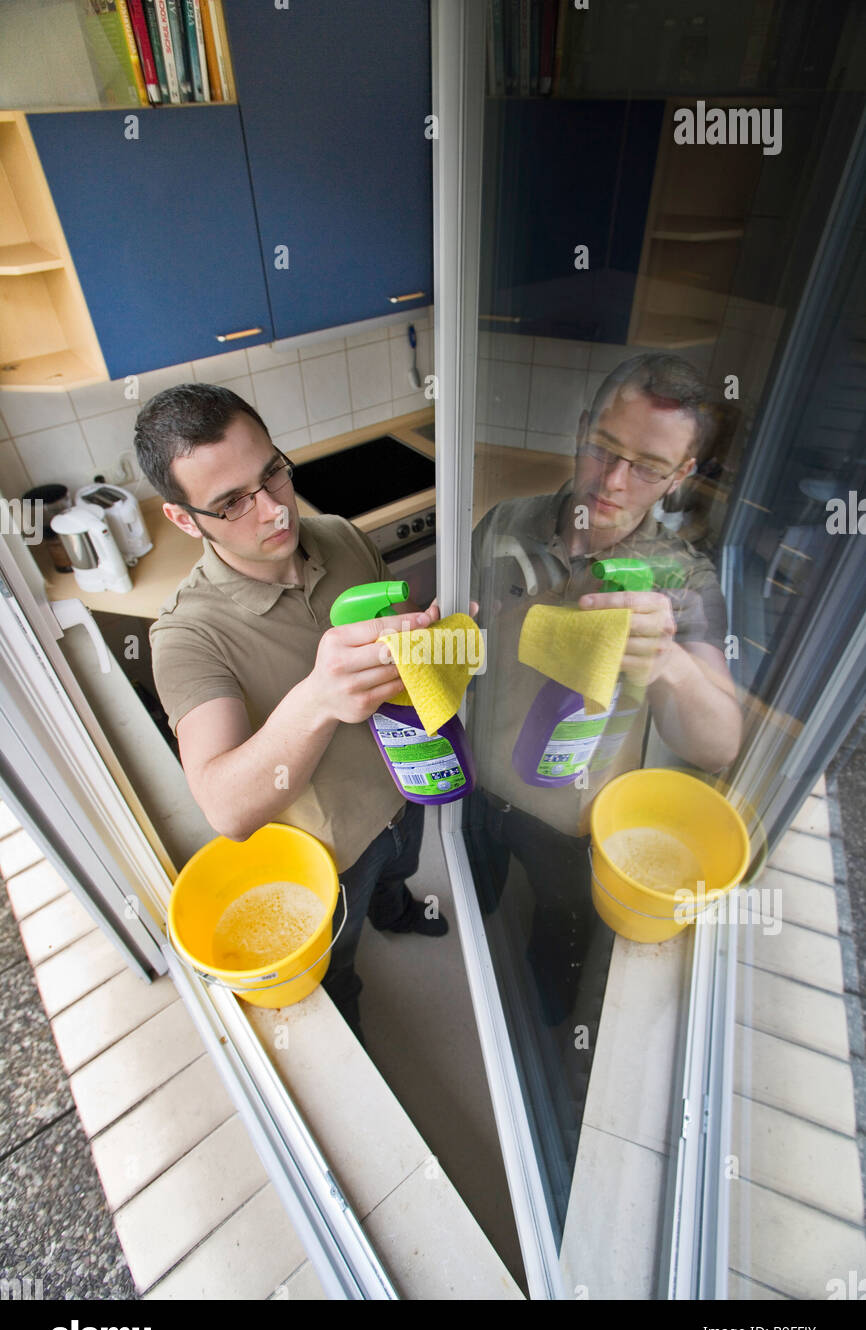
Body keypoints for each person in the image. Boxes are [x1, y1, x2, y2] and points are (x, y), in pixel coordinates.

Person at [135, 383, 448, 1047]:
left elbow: (389, 646)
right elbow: (226, 807)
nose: (275, 511)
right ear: (185, 519)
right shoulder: (187, 637)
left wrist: (429, 649)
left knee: (401, 872)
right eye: (231, 503)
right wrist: (316, 698)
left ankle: (400, 910)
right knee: (339, 960)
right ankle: (352, 1022)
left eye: (273, 472)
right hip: (329, 852)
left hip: (401, 789)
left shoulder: (336, 534)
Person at [463, 352, 743, 1030]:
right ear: (582, 429)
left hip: (578, 818)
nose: (613, 481)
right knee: (477, 898)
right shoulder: (505, 523)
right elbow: (466, 639)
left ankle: (545, 1021)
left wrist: (668, 657)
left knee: (557, 949)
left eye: (647, 467)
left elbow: (719, 742)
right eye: (604, 449)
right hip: (482, 783)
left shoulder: (684, 578)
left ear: (680, 477)